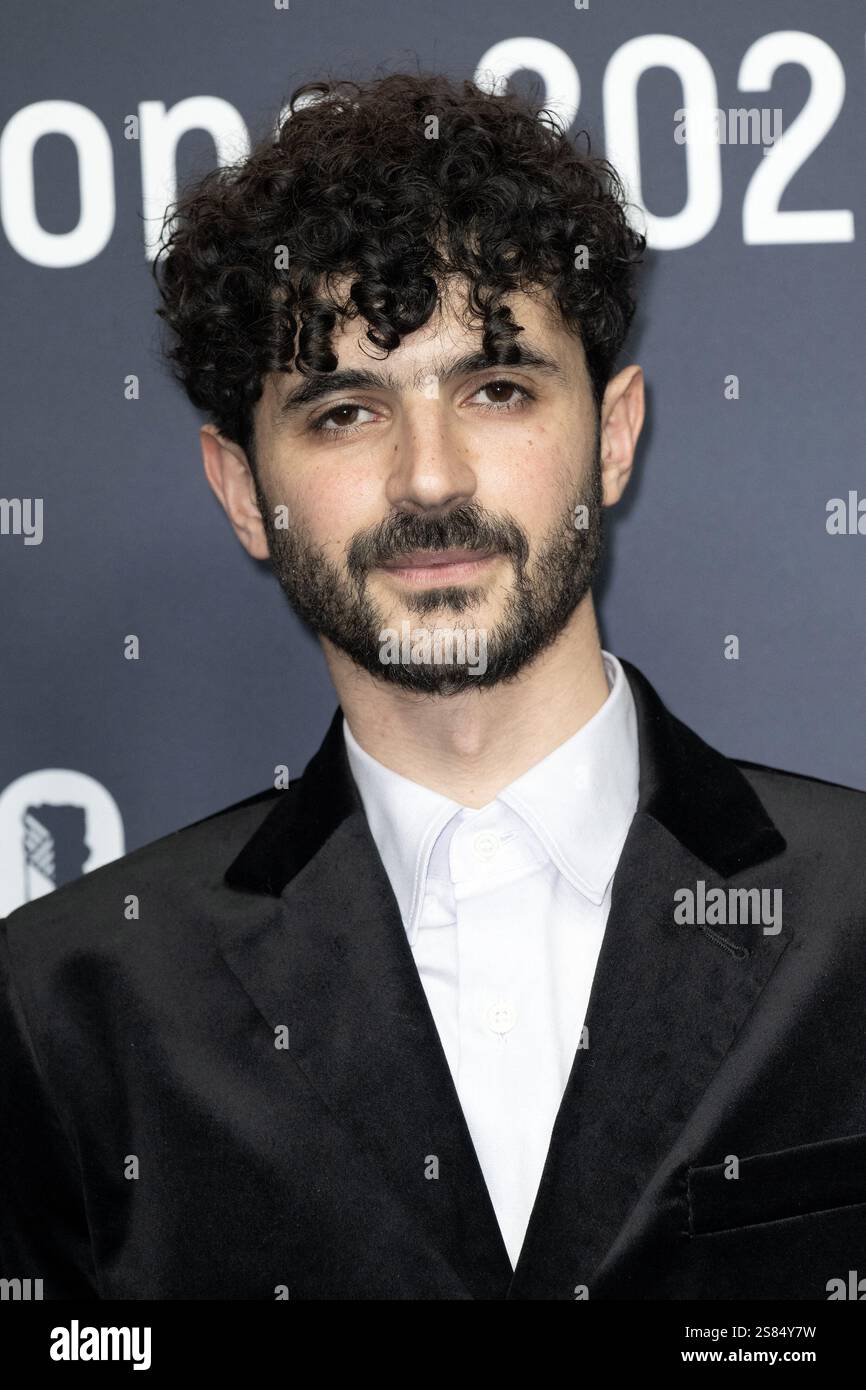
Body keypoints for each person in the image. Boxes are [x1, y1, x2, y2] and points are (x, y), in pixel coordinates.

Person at [2, 71, 865, 1302]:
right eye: (345, 410)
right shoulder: (69, 1008)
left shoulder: (851, 919)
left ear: (611, 436)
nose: (427, 477)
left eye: (497, 389)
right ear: (245, 490)